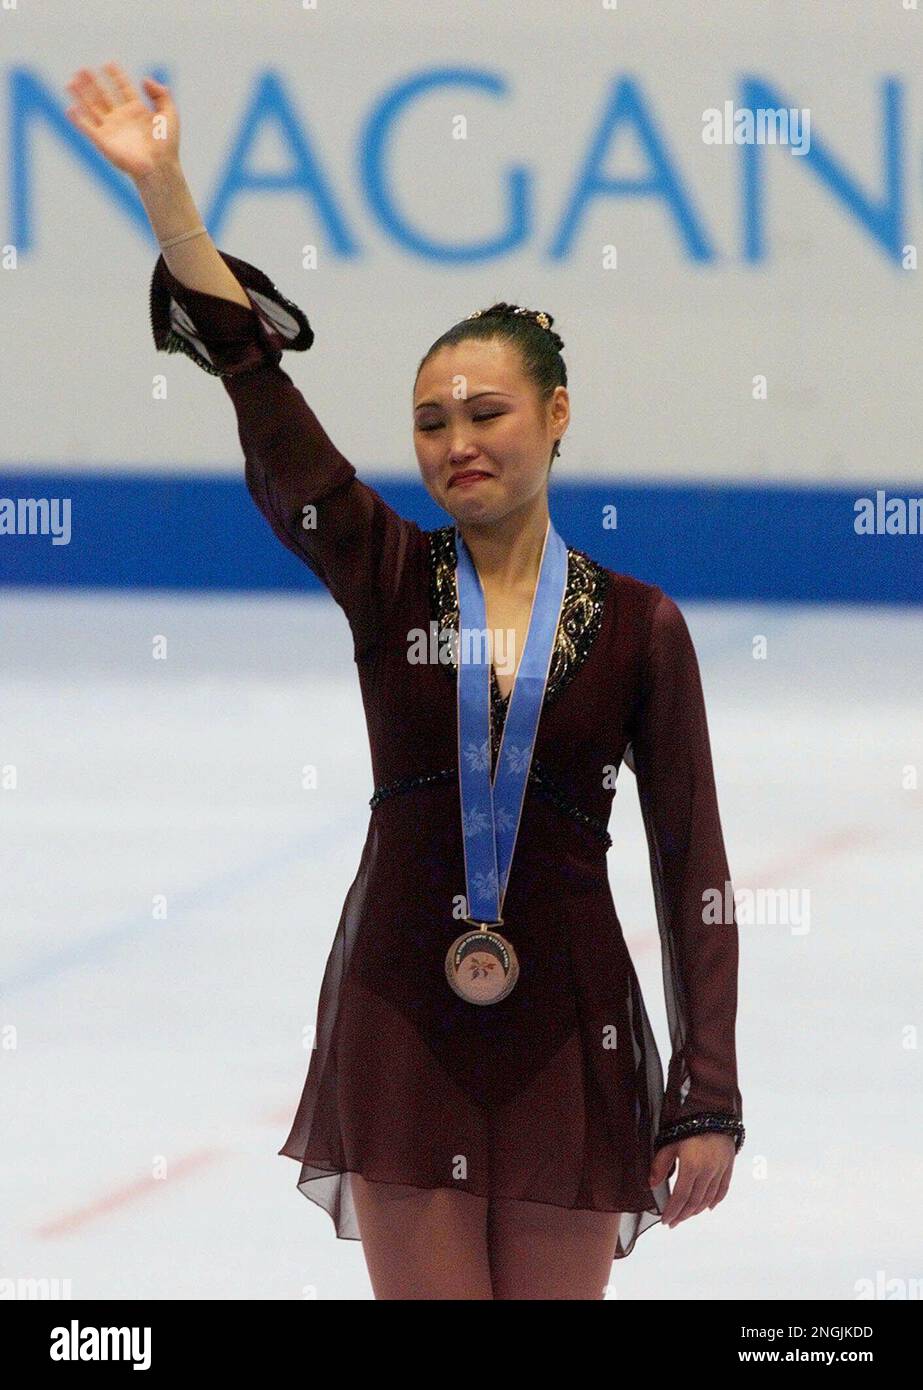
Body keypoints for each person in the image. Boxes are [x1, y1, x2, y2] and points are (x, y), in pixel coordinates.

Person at [65, 63, 745, 1301]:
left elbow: (690, 864)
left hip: (569, 1025)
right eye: (430, 421)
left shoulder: (640, 626)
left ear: (555, 418)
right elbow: (267, 407)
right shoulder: (384, 576)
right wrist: (174, 210)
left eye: (486, 412)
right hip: (402, 1013)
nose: (456, 441)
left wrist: (708, 1089)